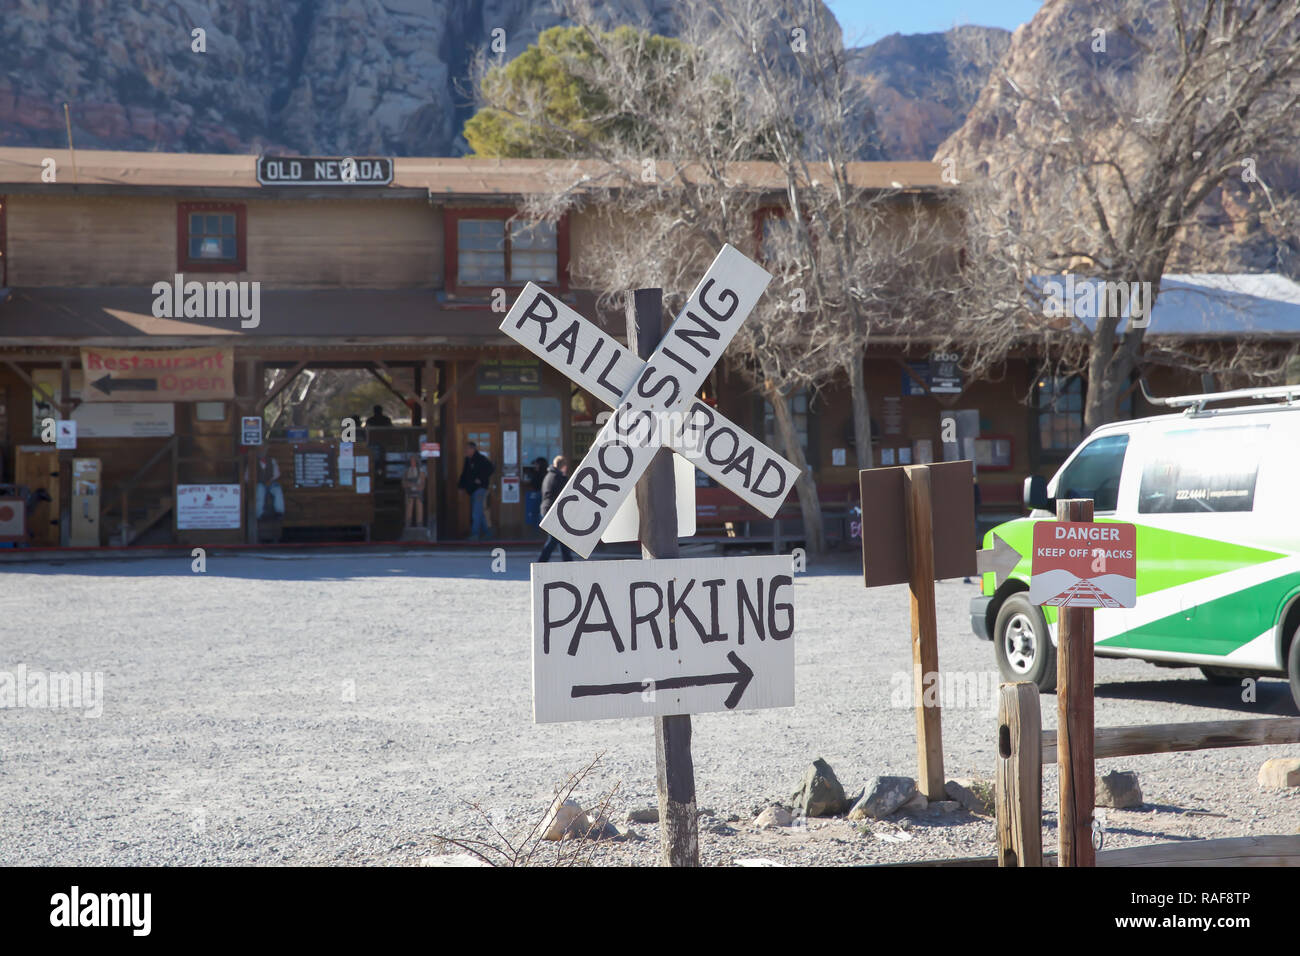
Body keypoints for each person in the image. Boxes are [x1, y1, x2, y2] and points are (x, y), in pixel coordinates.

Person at [536, 455, 574, 562]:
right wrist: (565, 476)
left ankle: (568, 561)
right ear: (564, 466)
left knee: (560, 538)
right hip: (552, 512)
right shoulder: (558, 477)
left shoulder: (549, 475)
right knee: (554, 540)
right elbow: (566, 492)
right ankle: (542, 562)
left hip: (546, 510)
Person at [458, 441, 495, 539]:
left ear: (473, 449)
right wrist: (461, 487)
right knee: (479, 512)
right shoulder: (467, 460)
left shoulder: (481, 459)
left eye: (468, 449)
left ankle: (475, 534)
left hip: (480, 489)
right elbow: (464, 474)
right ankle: (488, 533)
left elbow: (491, 468)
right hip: (472, 489)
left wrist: (481, 479)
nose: (466, 451)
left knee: (475, 512)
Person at [249, 448, 285, 519]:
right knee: (260, 491)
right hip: (258, 484)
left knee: (278, 490)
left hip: (270, 483)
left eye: (263, 450)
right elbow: (247, 477)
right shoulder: (252, 461)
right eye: (260, 450)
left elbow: (277, 473)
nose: (262, 451)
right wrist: (254, 482)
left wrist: (270, 481)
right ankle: (259, 514)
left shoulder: (272, 460)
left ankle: (279, 512)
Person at [402, 453, 427, 528]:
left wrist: (420, 486)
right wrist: (409, 485)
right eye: (411, 461)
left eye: (414, 461)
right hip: (409, 493)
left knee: (419, 507)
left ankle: (419, 523)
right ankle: (408, 523)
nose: (412, 462)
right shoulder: (406, 472)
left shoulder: (421, 471)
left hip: (418, 493)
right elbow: (403, 482)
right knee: (409, 507)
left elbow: (423, 483)